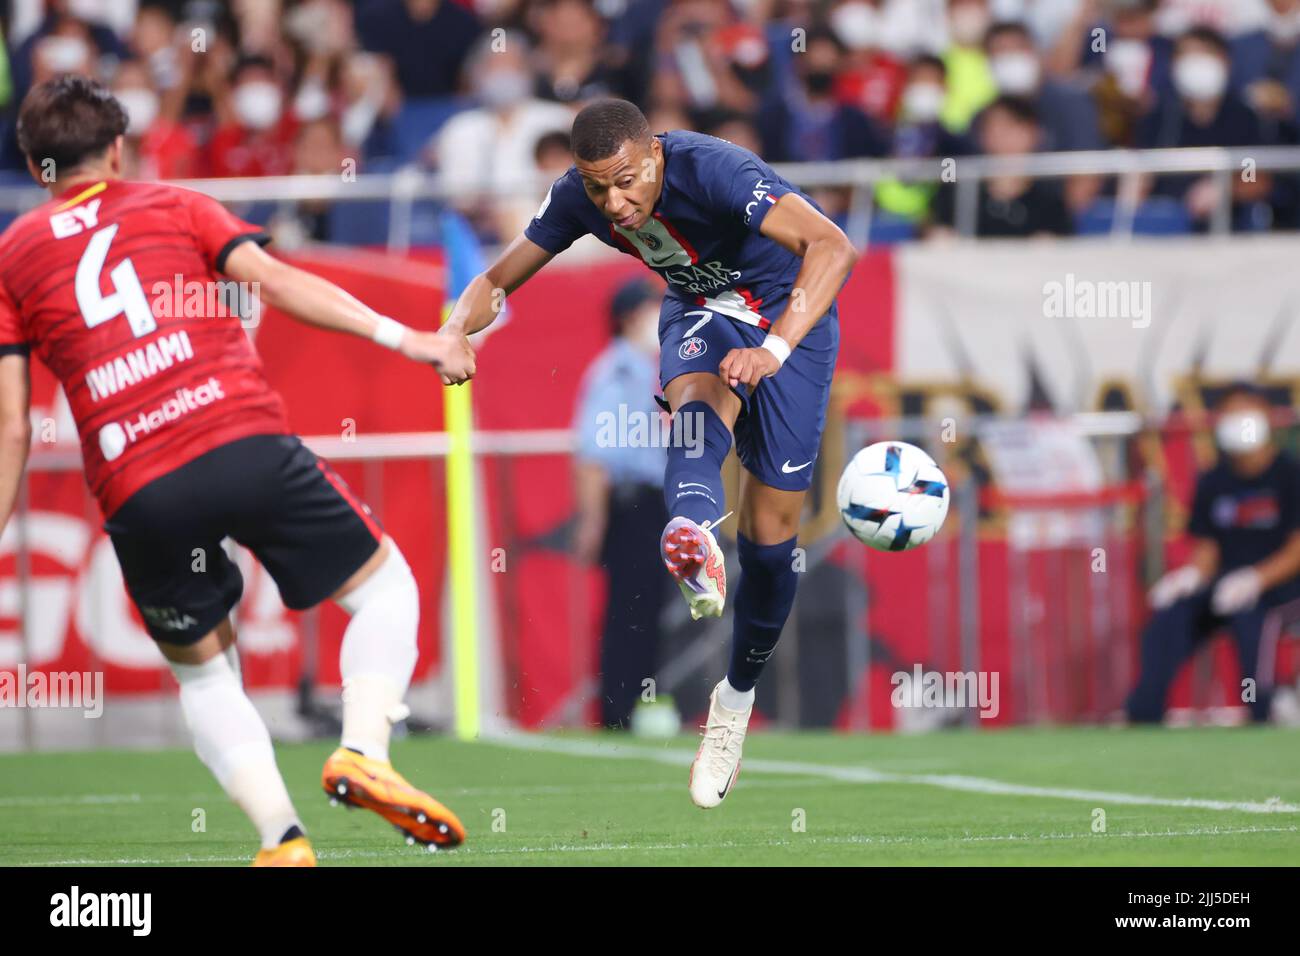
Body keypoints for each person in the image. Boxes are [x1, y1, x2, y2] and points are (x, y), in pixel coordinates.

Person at [0, 76, 475, 865]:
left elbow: (12, 422)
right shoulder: (173, 204)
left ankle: (281, 840)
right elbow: (281, 283)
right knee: (387, 590)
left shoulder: (12, 256)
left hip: (138, 484)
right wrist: (411, 340)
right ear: (117, 149)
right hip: (237, 439)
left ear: (34, 164)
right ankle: (362, 750)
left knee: (207, 677)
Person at [437, 99, 856, 808]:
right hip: (698, 309)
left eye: (626, 180)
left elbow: (834, 247)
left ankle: (734, 702)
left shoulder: (715, 169)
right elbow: (495, 281)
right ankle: (689, 529)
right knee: (695, 406)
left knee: (771, 536)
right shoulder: (581, 198)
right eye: (598, 186)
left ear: (655, 154)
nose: (614, 201)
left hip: (789, 317)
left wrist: (774, 348)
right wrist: (454, 329)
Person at [1127, 383, 1300, 724]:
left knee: (1254, 621)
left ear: (1266, 416)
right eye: (1229, 412)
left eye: (1244, 411)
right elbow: (1207, 547)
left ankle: (1263, 708)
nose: (1237, 420)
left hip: (1282, 590)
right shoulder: (1214, 481)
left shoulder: (1290, 474)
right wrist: (1189, 578)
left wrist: (1255, 579)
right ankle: (1144, 712)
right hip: (1226, 588)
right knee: (1171, 619)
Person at [572, 279, 671, 729]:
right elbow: (594, 455)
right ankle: (617, 711)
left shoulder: (652, 369)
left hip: (655, 505)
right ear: (632, 316)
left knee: (650, 609)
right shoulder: (615, 371)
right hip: (630, 507)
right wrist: (593, 520)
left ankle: (640, 705)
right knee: (628, 612)